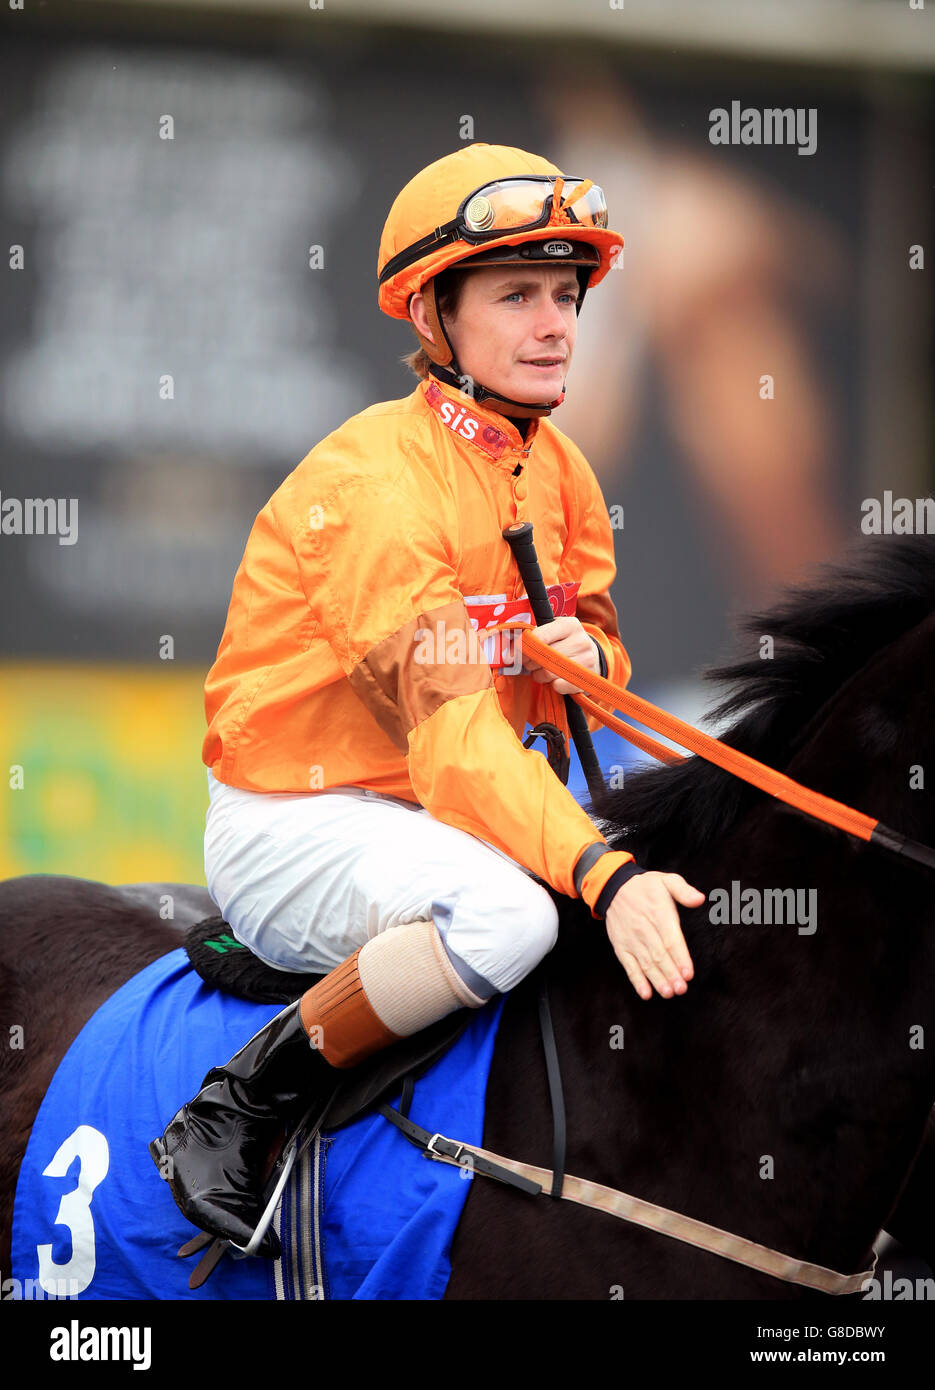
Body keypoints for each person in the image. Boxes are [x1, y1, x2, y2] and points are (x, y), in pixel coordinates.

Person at [150, 142, 704, 1257]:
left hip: (438, 815)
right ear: (434, 314)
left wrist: (583, 664)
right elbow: (452, 734)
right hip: (297, 820)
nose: (554, 325)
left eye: (565, 294)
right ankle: (237, 1105)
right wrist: (604, 871)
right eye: (515, 296)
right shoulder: (369, 483)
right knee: (518, 914)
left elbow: (590, 646)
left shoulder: (560, 470)